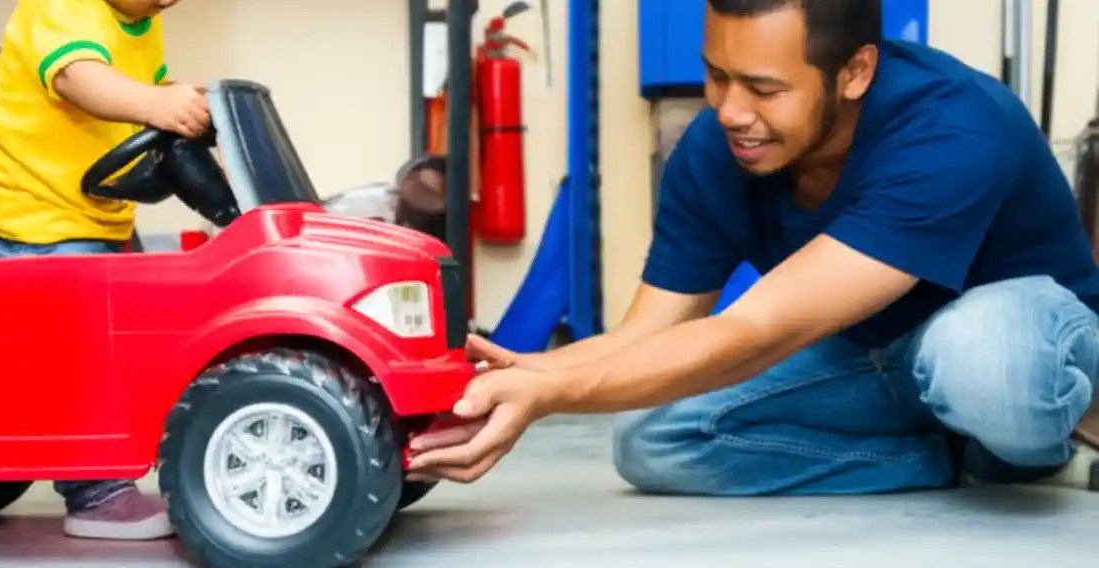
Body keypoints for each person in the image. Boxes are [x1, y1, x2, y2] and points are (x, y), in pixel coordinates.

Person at [406, 0, 1099, 496]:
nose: (732, 110)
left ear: (855, 72)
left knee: (983, 359)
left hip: (1016, 341)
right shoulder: (716, 150)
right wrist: (515, 376)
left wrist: (553, 391)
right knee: (652, 436)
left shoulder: (955, 130)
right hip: (876, 359)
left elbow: (757, 331)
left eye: (764, 88)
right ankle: (947, 463)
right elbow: (650, 333)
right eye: (717, 76)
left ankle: (1033, 455)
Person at [0, 0, 210, 539]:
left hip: (92, 214)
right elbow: (81, 79)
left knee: (142, 325)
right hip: (34, 215)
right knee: (81, 346)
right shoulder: (60, 6)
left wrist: (183, 109)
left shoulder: (141, 25)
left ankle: (131, 452)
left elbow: (138, 101)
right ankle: (94, 492)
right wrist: (157, 101)